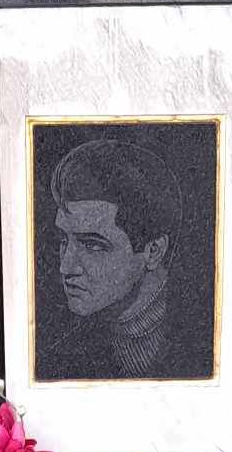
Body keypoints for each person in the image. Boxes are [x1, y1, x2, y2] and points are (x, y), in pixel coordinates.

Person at [49, 137, 186, 378]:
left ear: (153, 251)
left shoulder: (197, 337)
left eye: (92, 245)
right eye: (64, 240)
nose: (65, 267)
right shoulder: (70, 346)